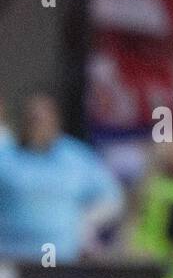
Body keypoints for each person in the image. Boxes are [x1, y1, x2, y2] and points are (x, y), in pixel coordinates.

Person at [0, 92, 123, 263]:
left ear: (55, 121)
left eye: (43, 119)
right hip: (10, 258)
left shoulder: (76, 157)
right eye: (33, 119)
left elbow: (112, 197)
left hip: (59, 259)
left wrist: (84, 223)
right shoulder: (5, 156)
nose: (38, 126)